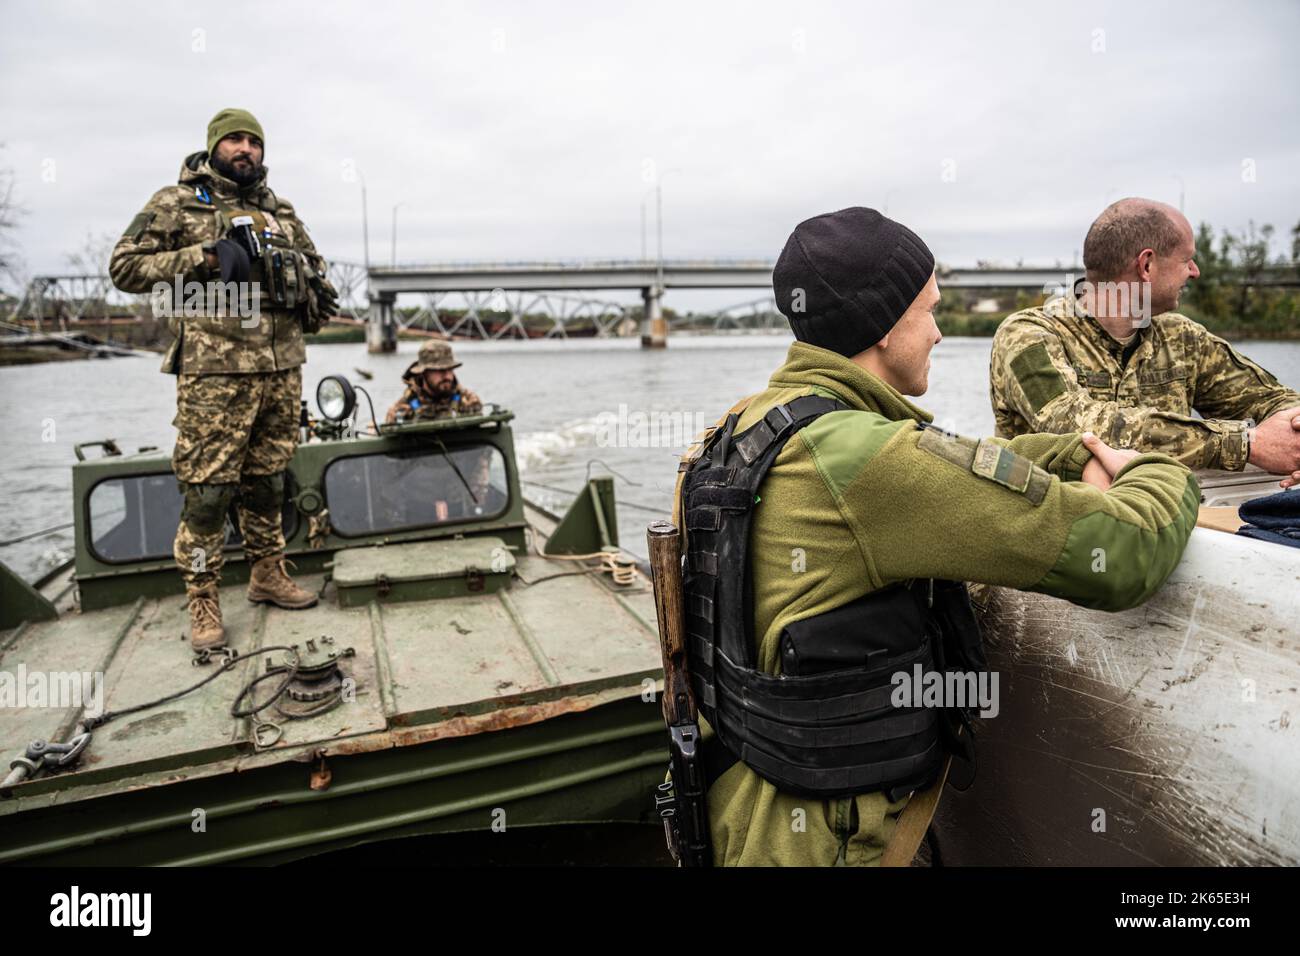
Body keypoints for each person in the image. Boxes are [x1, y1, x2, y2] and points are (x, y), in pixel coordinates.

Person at [676, 207, 1200, 866]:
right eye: (930, 310)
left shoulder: (740, 431)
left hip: (739, 815)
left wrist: (1069, 452)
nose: (941, 331)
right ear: (887, 326)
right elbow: (1124, 556)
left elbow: (947, 463)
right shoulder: (866, 463)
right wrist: (1160, 472)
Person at [109, 108, 338, 651]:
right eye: (234, 139)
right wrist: (205, 256)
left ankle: (267, 573)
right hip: (214, 374)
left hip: (281, 368)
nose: (245, 150)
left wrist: (310, 284)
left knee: (268, 482)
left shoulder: (279, 209)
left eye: (253, 141)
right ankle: (203, 595)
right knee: (208, 493)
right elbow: (124, 267)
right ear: (214, 146)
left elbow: (313, 266)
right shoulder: (176, 201)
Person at [989, 197, 1300, 488]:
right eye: (1187, 260)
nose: (1194, 272)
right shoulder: (1027, 334)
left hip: (1157, 523)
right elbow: (1078, 427)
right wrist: (1244, 444)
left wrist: (1294, 436)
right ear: (1147, 265)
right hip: (1056, 532)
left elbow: (1272, 398)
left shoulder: (1183, 339)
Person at [385, 340, 483, 423]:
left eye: (450, 369)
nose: (446, 376)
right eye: (439, 370)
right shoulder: (403, 408)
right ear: (423, 373)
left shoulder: (468, 400)